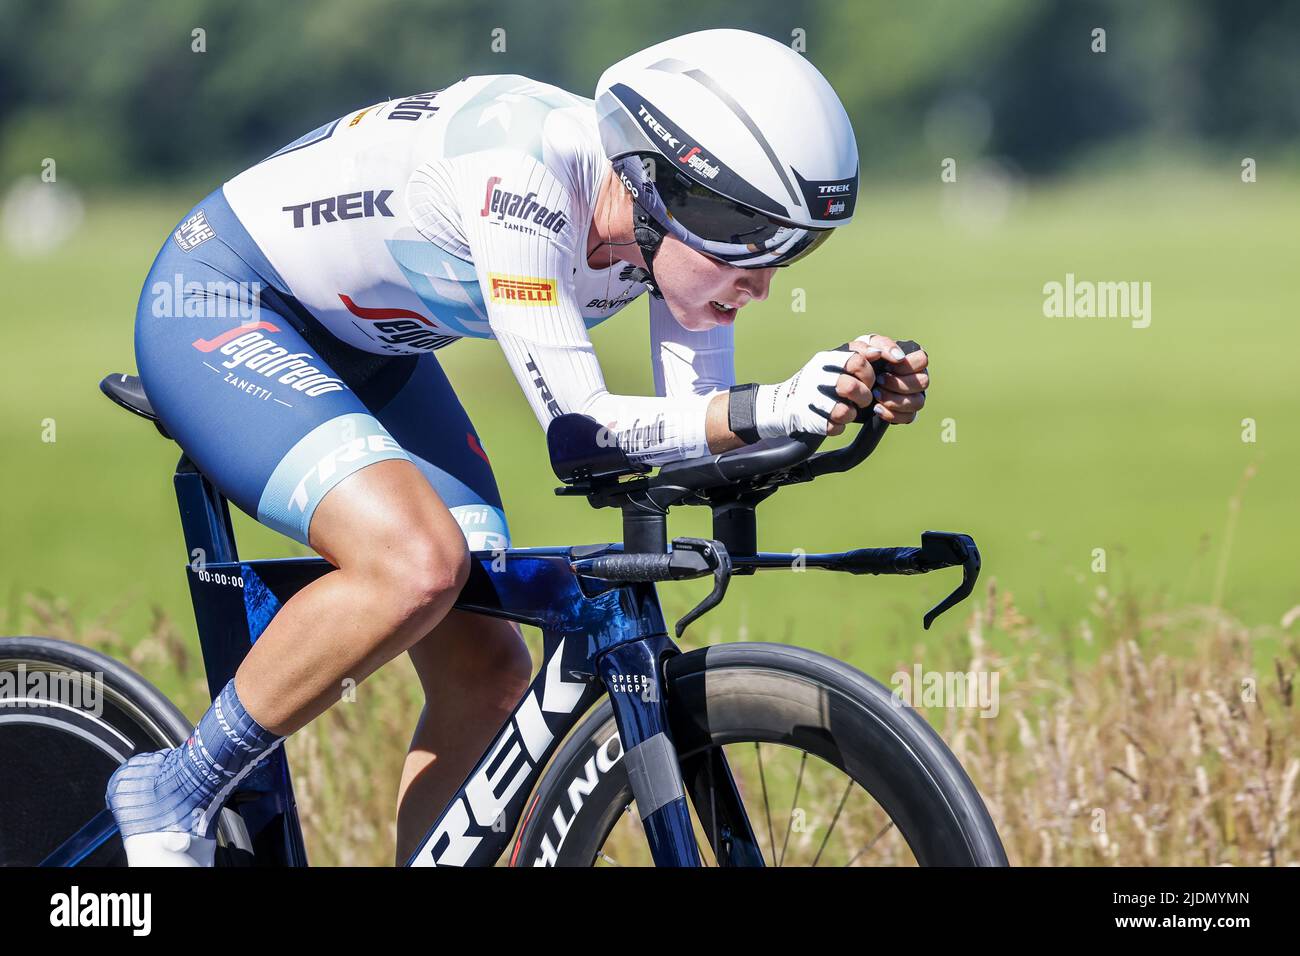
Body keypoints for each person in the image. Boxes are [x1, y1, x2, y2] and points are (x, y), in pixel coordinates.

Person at [107, 28, 929, 866]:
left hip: (373, 349)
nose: (760, 282)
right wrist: (772, 403)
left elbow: (694, 437)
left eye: (792, 250)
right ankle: (176, 788)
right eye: (746, 237)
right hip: (222, 300)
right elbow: (584, 435)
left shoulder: (659, 239)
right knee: (415, 566)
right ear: (660, 187)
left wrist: (823, 407)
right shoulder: (521, 175)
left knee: (490, 669)